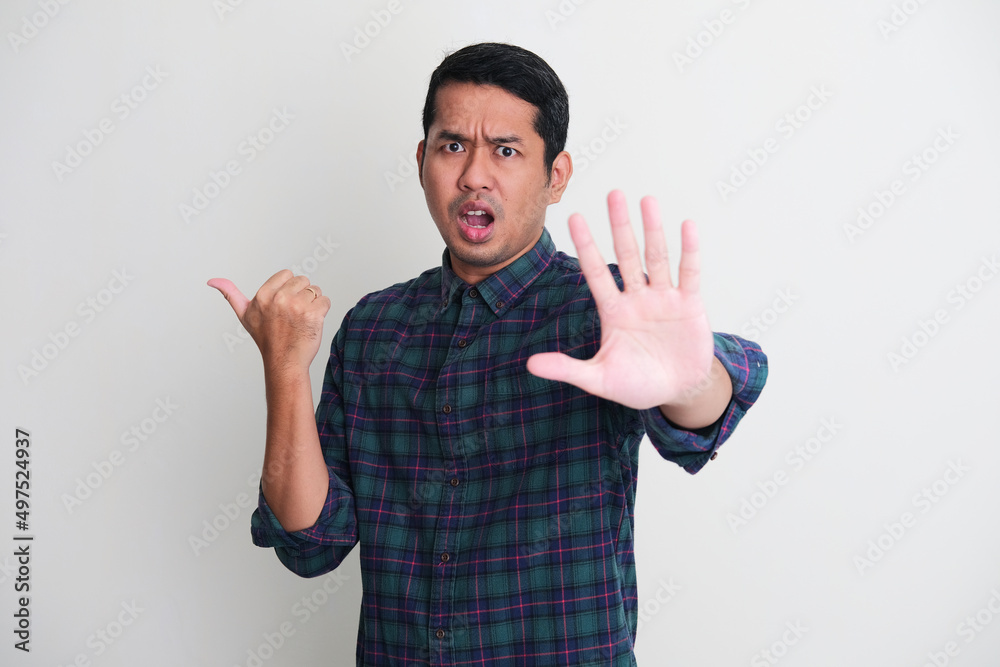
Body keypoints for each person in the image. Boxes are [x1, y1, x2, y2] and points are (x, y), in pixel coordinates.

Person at [209, 42, 767, 666]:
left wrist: (686, 382)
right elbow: (311, 541)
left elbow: (706, 406)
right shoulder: (373, 328)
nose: (474, 174)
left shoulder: (607, 310)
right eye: (452, 146)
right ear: (421, 161)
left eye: (506, 150)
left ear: (555, 176)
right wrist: (284, 369)